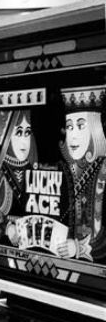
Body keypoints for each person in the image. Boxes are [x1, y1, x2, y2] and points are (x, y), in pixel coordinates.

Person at [56, 84, 106, 262]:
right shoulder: (67, 170)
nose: (73, 135)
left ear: (95, 128)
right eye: (69, 127)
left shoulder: (103, 170)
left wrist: (78, 248)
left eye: (81, 126)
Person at [0, 109, 38, 243]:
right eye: (19, 133)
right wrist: (7, 228)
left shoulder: (31, 169)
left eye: (27, 133)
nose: (24, 140)